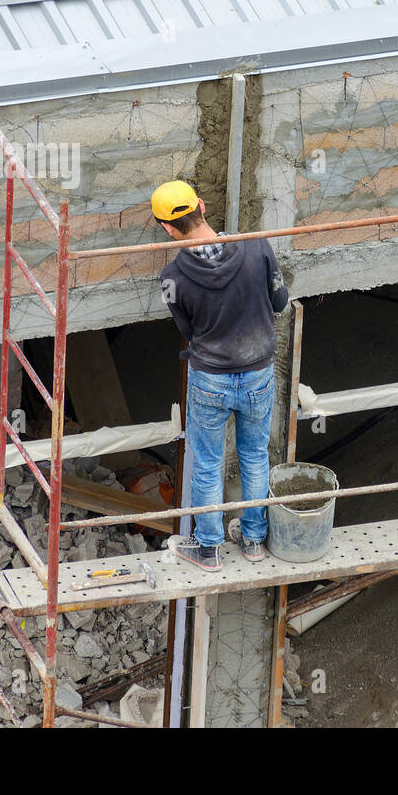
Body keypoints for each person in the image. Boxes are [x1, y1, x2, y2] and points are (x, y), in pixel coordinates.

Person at [152, 180, 289, 570]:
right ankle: (253, 540)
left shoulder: (172, 278)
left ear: (167, 228)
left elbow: (188, 330)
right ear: (202, 205)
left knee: (209, 463)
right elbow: (280, 301)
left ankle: (208, 548)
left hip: (210, 379)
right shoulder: (257, 245)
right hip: (258, 374)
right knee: (254, 455)